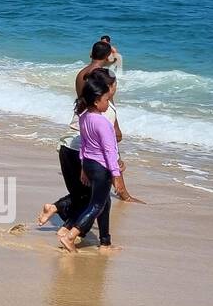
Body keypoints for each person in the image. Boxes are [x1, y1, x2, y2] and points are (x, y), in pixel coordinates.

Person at [57, 69, 144, 252]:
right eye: (105, 100)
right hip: (101, 167)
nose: (107, 103)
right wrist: (116, 175)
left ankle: (104, 242)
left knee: (98, 203)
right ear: (96, 101)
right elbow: (109, 151)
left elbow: (84, 146)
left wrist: (82, 168)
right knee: (97, 205)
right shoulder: (103, 122)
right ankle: (71, 235)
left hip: (88, 163)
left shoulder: (83, 117)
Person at [39, 58, 125, 237]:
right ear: (108, 88)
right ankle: (80, 233)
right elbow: (108, 142)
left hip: (66, 147)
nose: (116, 88)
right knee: (95, 199)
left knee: (82, 195)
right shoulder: (105, 109)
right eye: (115, 85)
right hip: (83, 154)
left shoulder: (84, 103)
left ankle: (62, 220)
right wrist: (116, 167)